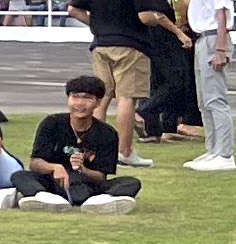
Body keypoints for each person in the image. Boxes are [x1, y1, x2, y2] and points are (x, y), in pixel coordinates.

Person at [73, 0, 162, 158]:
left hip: (101, 45)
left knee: (101, 98)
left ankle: (98, 150)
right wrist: (157, 18)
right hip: (131, 46)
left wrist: (96, 24)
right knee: (127, 99)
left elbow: (73, 9)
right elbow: (144, 16)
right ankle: (125, 151)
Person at [14, 77, 142, 212]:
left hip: (88, 186)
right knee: (20, 176)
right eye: (75, 97)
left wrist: (82, 169)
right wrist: (54, 168)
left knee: (131, 182)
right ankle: (45, 198)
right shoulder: (52, 123)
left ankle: (99, 202)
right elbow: (35, 163)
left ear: (98, 102)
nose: (80, 103)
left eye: (87, 98)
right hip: (54, 183)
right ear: (68, 99)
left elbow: (101, 176)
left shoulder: (107, 133)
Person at [185, 0, 236, 174]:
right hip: (203, 38)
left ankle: (225, 153)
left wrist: (220, 49)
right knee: (204, 100)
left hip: (211, 38)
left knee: (215, 98)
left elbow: (221, 13)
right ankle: (213, 149)